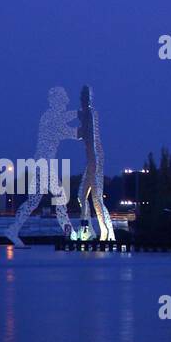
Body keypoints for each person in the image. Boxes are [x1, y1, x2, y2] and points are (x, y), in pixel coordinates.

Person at [6, 87, 79, 247]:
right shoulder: (51, 117)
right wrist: (83, 119)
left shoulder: (50, 116)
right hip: (44, 164)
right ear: (56, 101)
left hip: (40, 163)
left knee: (33, 201)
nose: (66, 102)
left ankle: (13, 229)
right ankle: (70, 233)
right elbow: (71, 132)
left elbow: (65, 122)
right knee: (60, 197)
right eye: (64, 99)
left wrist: (80, 114)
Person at [75, 86, 115, 242]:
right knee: (81, 197)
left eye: (84, 97)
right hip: (90, 162)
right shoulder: (85, 114)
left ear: (88, 98)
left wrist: (79, 127)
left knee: (98, 200)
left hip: (96, 161)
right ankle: (87, 230)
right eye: (82, 97)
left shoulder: (90, 114)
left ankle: (108, 233)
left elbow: (88, 134)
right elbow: (83, 134)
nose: (82, 100)